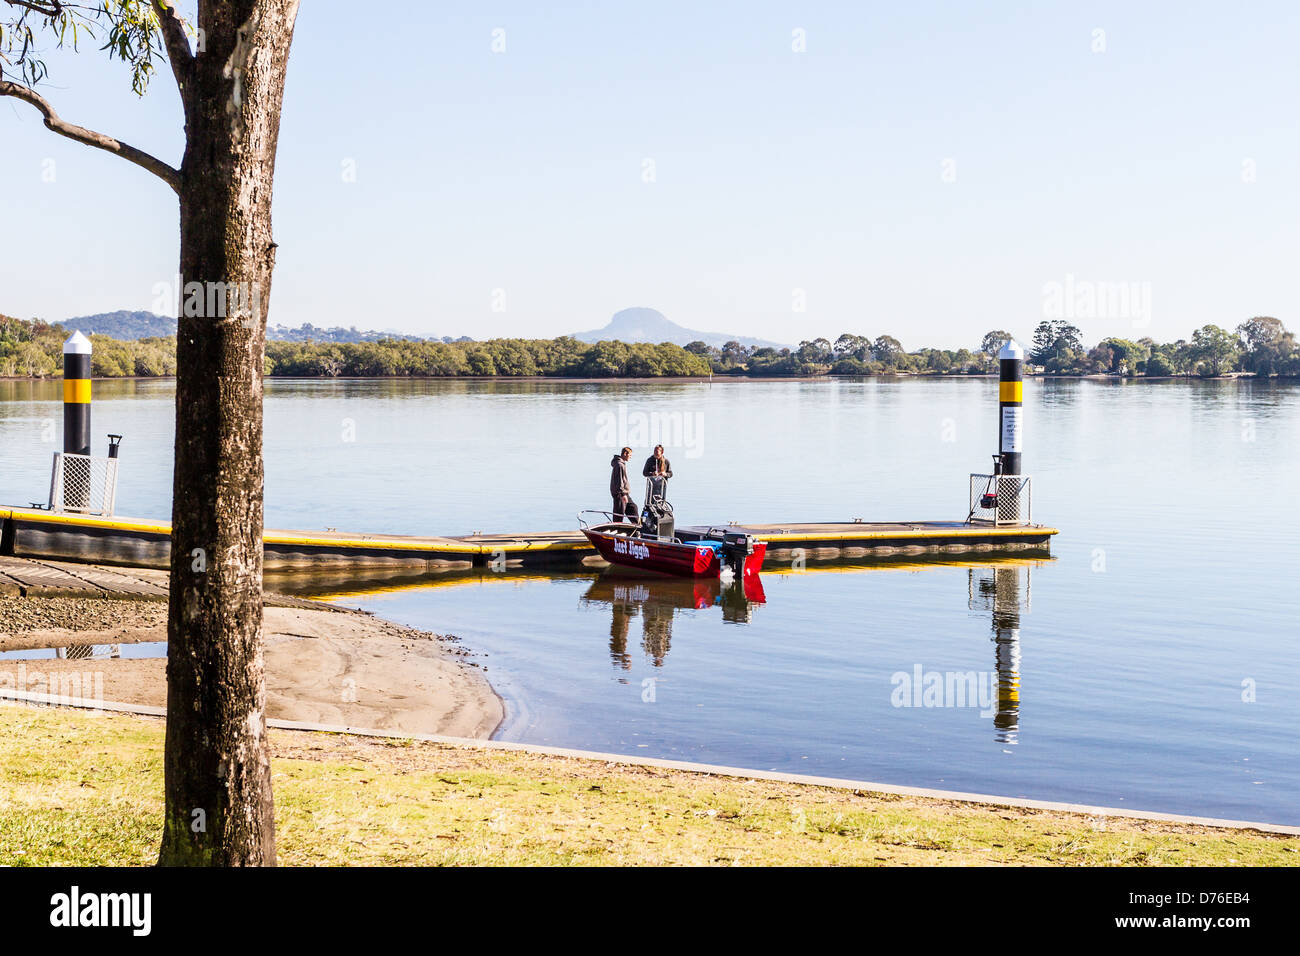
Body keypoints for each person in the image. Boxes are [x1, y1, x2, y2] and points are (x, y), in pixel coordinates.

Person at [609, 447, 638, 522]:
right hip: (620, 493)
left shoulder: (620, 463)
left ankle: (637, 526)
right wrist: (623, 494)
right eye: (630, 455)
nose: (630, 457)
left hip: (623, 492)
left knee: (633, 508)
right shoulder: (619, 465)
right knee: (619, 513)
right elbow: (619, 481)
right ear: (625, 454)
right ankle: (616, 529)